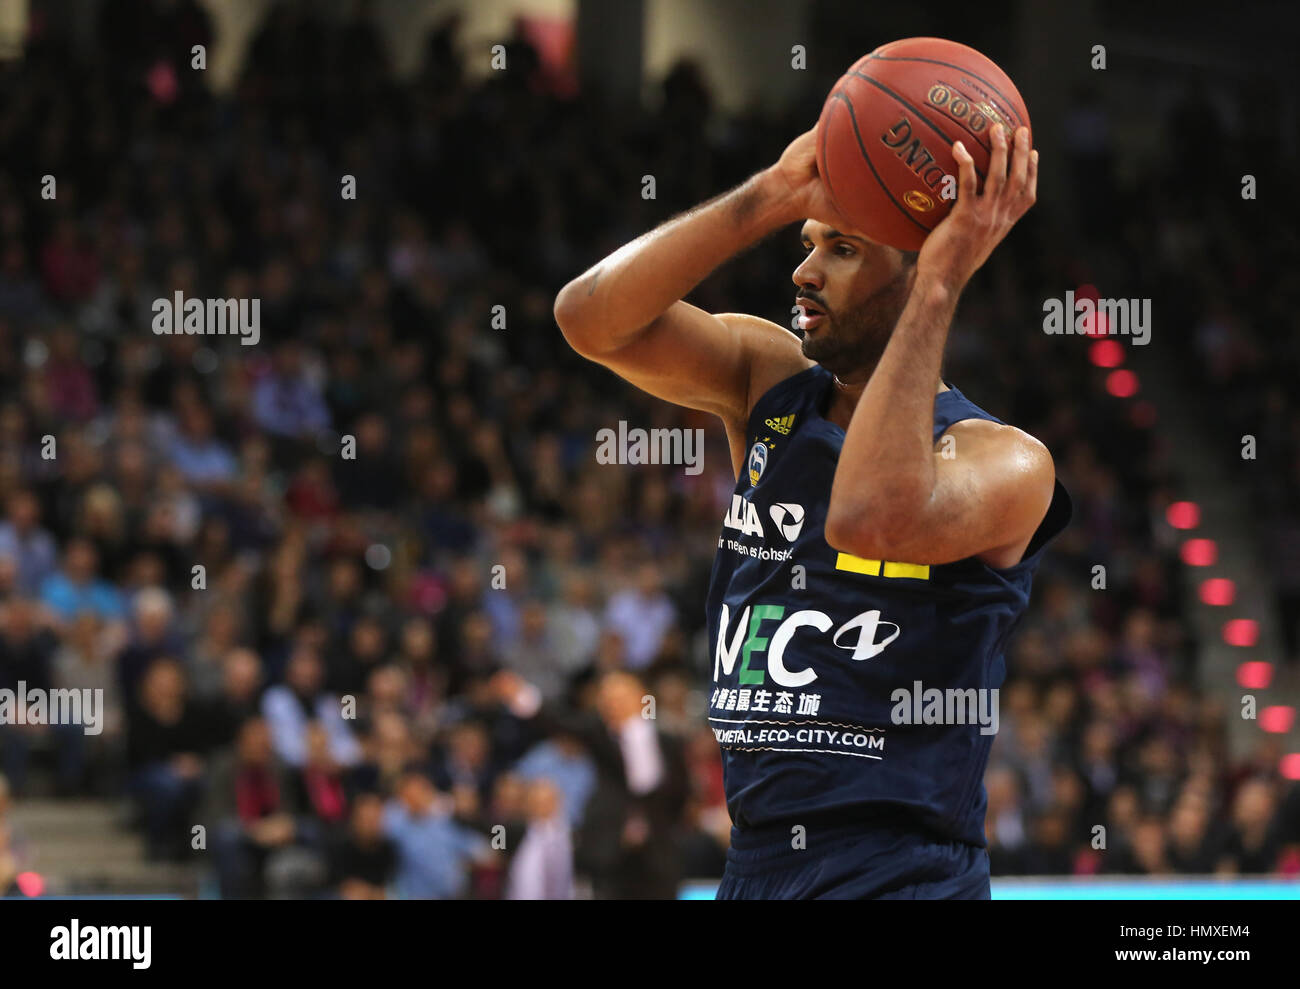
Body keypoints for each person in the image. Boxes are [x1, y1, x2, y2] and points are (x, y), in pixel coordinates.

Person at [554, 123, 1071, 899]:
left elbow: (867, 517)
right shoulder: (768, 381)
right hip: (756, 860)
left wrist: (940, 283)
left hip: (900, 873)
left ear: (923, 265)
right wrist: (770, 193)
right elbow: (588, 318)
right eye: (808, 242)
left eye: (844, 248)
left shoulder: (1005, 462)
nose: (804, 270)